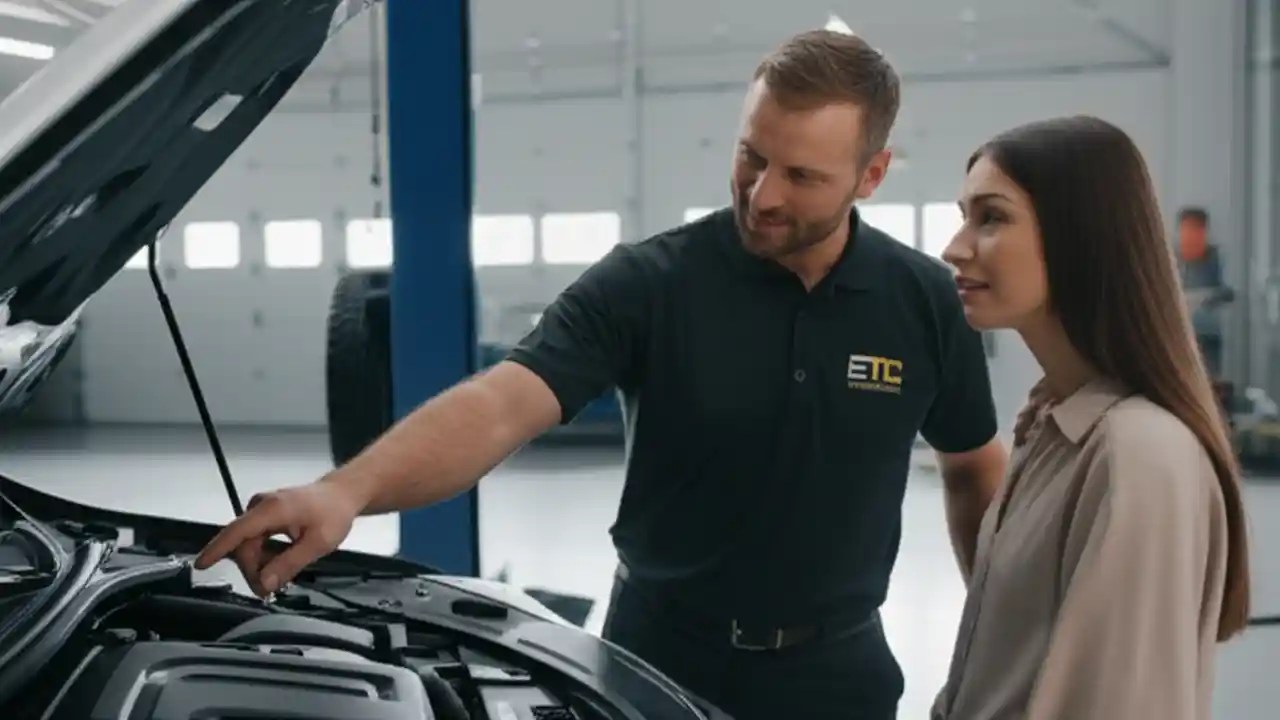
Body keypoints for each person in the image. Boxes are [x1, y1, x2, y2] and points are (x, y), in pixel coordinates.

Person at [195, 29, 1008, 719]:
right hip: (656, 660)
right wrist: (347, 492)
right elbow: (501, 405)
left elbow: (973, 466)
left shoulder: (925, 301)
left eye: (802, 177)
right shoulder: (650, 284)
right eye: (751, 157)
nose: (762, 195)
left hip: (839, 674)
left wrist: (995, 624)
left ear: (870, 177)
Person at [935, 115, 1251, 720]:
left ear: (1078, 235)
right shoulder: (1052, 427)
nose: (956, 246)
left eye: (991, 217)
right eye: (962, 215)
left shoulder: (1138, 453)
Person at [1176, 207, 1234, 379]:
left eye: (1196, 230)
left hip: (1209, 346)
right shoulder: (1170, 262)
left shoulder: (1218, 261)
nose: (1191, 237)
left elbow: (1229, 295)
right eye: (1186, 230)